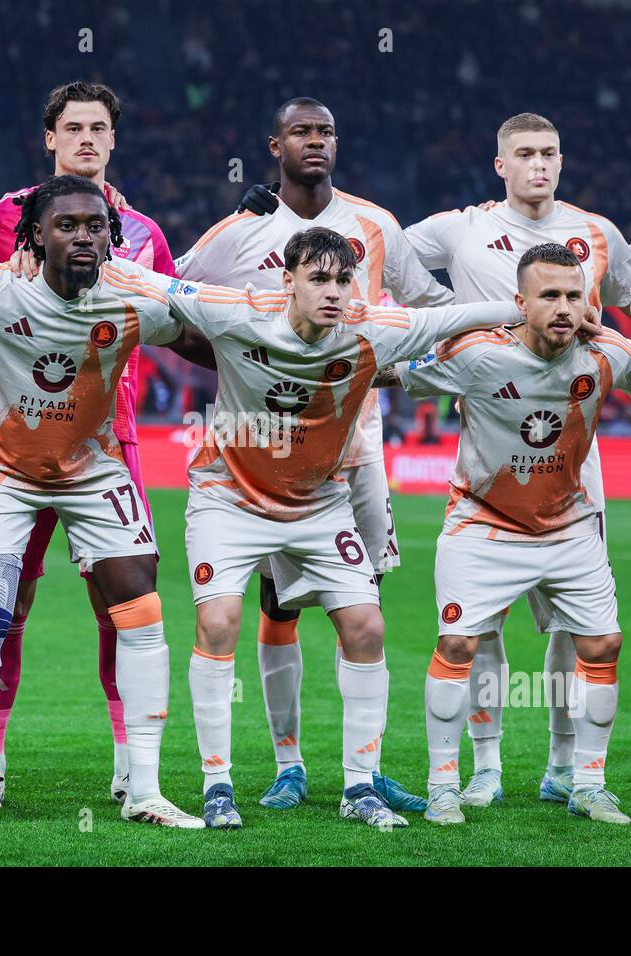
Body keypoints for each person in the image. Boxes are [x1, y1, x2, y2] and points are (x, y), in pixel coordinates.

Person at [0, 175, 211, 829]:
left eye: (96, 225)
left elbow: (206, 341)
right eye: (67, 225)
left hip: (94, 471)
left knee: (140, 608)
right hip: (2, 472)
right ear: (36, 236)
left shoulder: (134, 299)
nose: (83, 236)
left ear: (112, 236)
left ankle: (144, 788)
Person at [174, 97, 442, 812]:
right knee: (274, 602)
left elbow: (427, 307)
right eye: (301, 131)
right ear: (275, 144)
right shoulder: (243, 230)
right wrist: (240, 369)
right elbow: (174, 298)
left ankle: (366, 767)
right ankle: (289, 763)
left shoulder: (376, 225)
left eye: (325, 130)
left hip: (356, 440)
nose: (314, 141)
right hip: (262, 446)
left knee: (364, 602)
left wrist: (408, 371)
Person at [399, 111, 631, 807]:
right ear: (501, 165)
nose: (539, 165)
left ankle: (567, 768)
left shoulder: (598, 232)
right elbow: (387, 253)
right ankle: (481, 767)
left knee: (579, 630)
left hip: (578, 457)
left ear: (562, 160)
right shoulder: (465, 228)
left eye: (550, 153)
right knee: (478, 628)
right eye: (526, 154)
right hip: (493, 437)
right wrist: (448, 310)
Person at [0, 81, 175, 811]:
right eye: (73, 127)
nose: (87, 138)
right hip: (15, 443)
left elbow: (178, 319)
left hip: (108, 442)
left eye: (99, 128)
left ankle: (130, 762)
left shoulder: (144, 231)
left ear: (113, 141)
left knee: (123, 602)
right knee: (3, 603)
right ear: (49, 138)